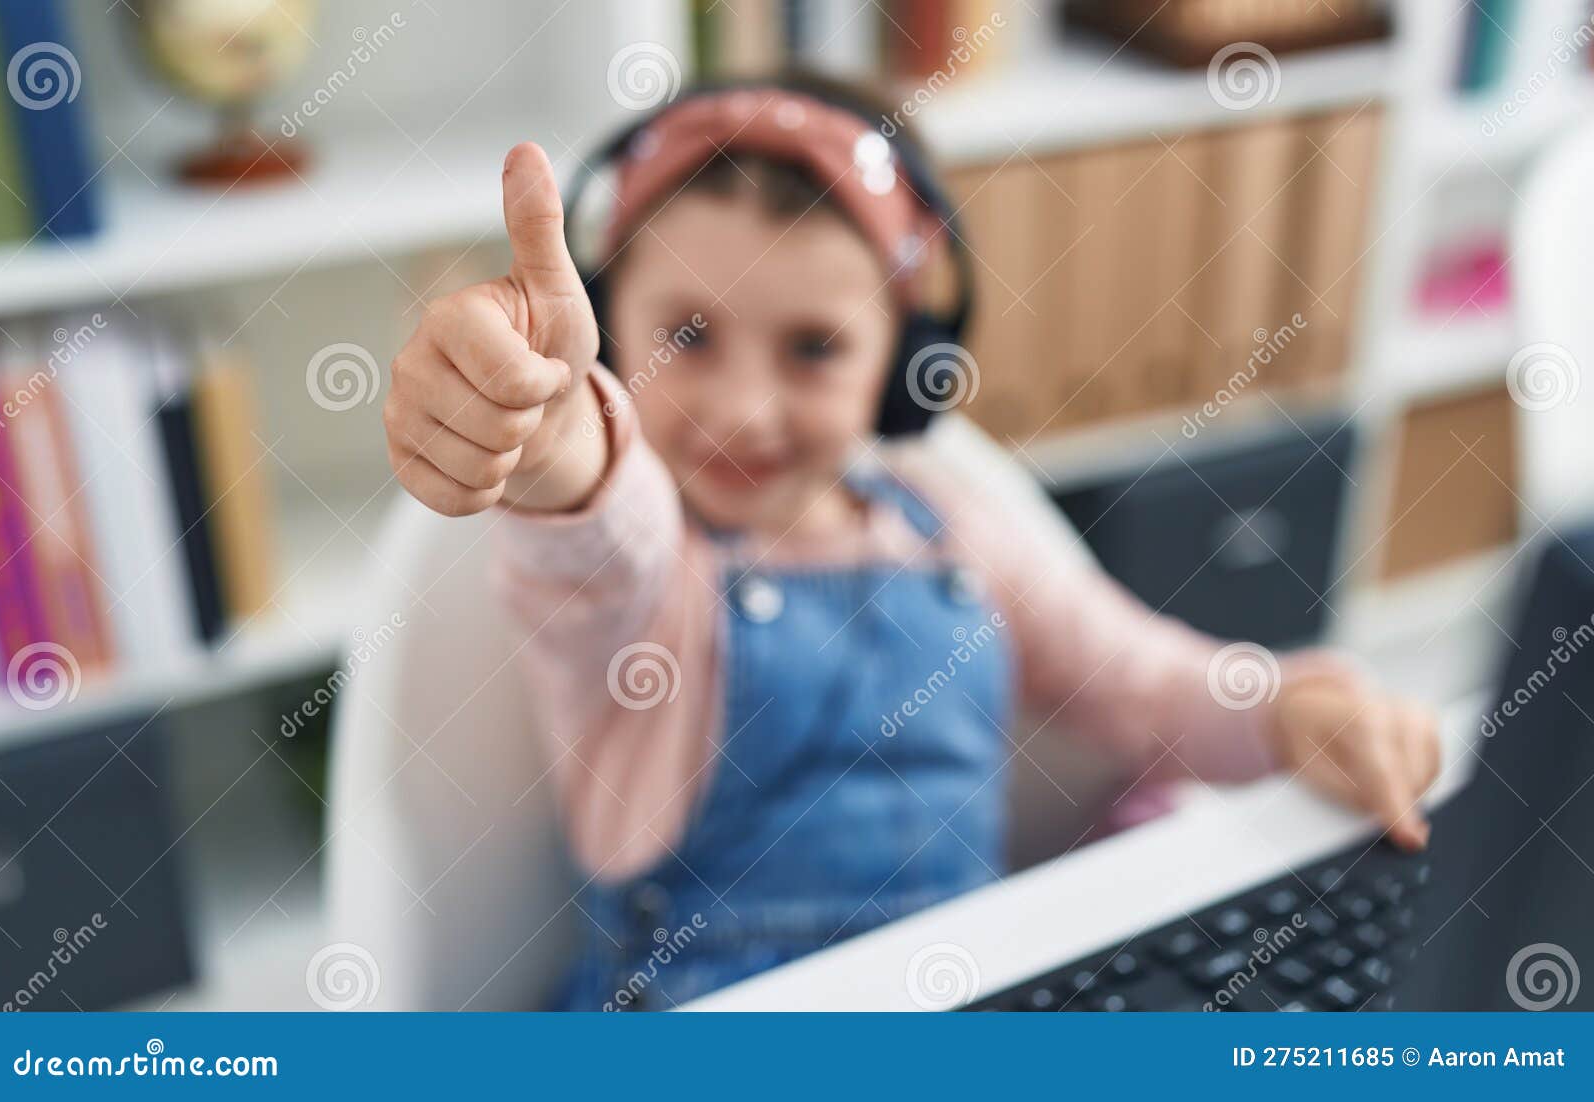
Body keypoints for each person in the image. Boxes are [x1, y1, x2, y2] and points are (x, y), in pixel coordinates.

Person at [379, 78, 1440, 1010]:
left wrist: (1294, 704)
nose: (746, 411)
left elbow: (1148, 684)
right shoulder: (648, 560)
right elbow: (594, 528)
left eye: (815, 348)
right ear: (612, 325)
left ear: (901, 362)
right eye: (688, 337)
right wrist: (555, 436)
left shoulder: (950, 523)